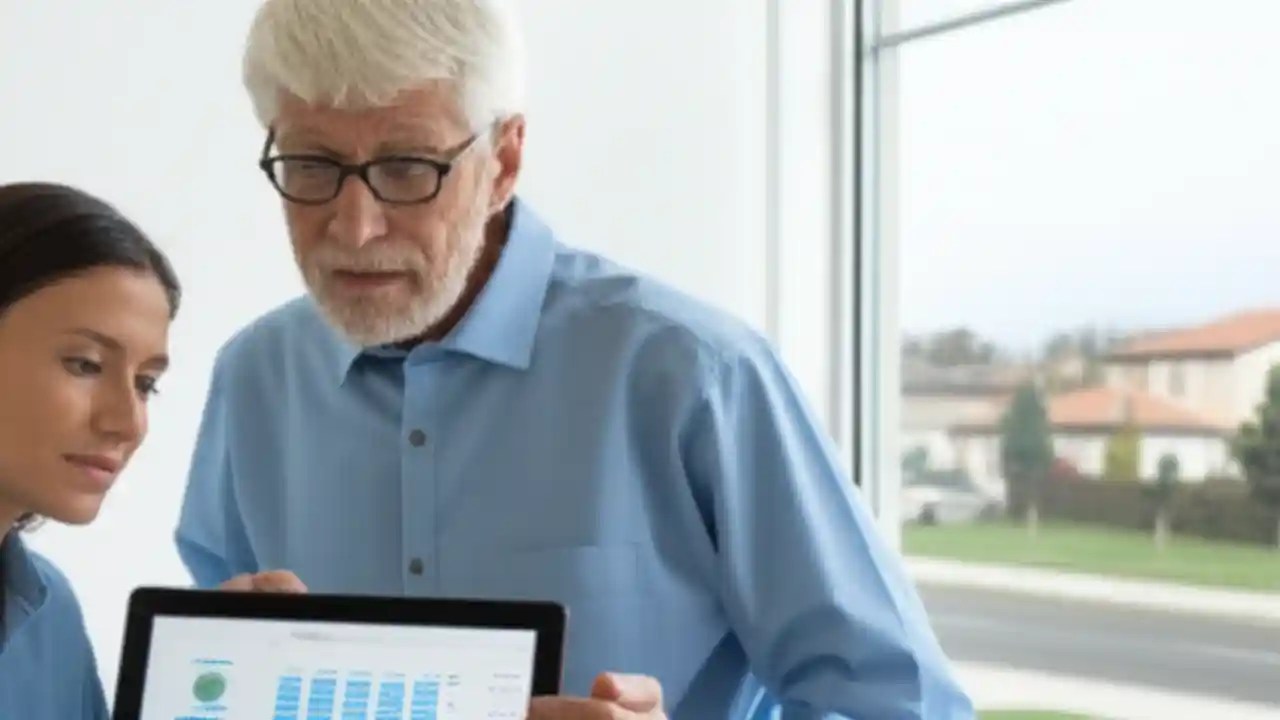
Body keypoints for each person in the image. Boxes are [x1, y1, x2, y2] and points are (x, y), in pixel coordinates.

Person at [174, 0, 974, 717]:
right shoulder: (253, 380)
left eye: (408, 168)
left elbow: (908, 708)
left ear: (505, 162)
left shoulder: (696, 376)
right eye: (313, 166)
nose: (354, 228)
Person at [0, 182, 180, 719]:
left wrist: (208, 664)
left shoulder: (49, 614)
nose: (126, 422)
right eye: (85, 364)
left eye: (146, 383)